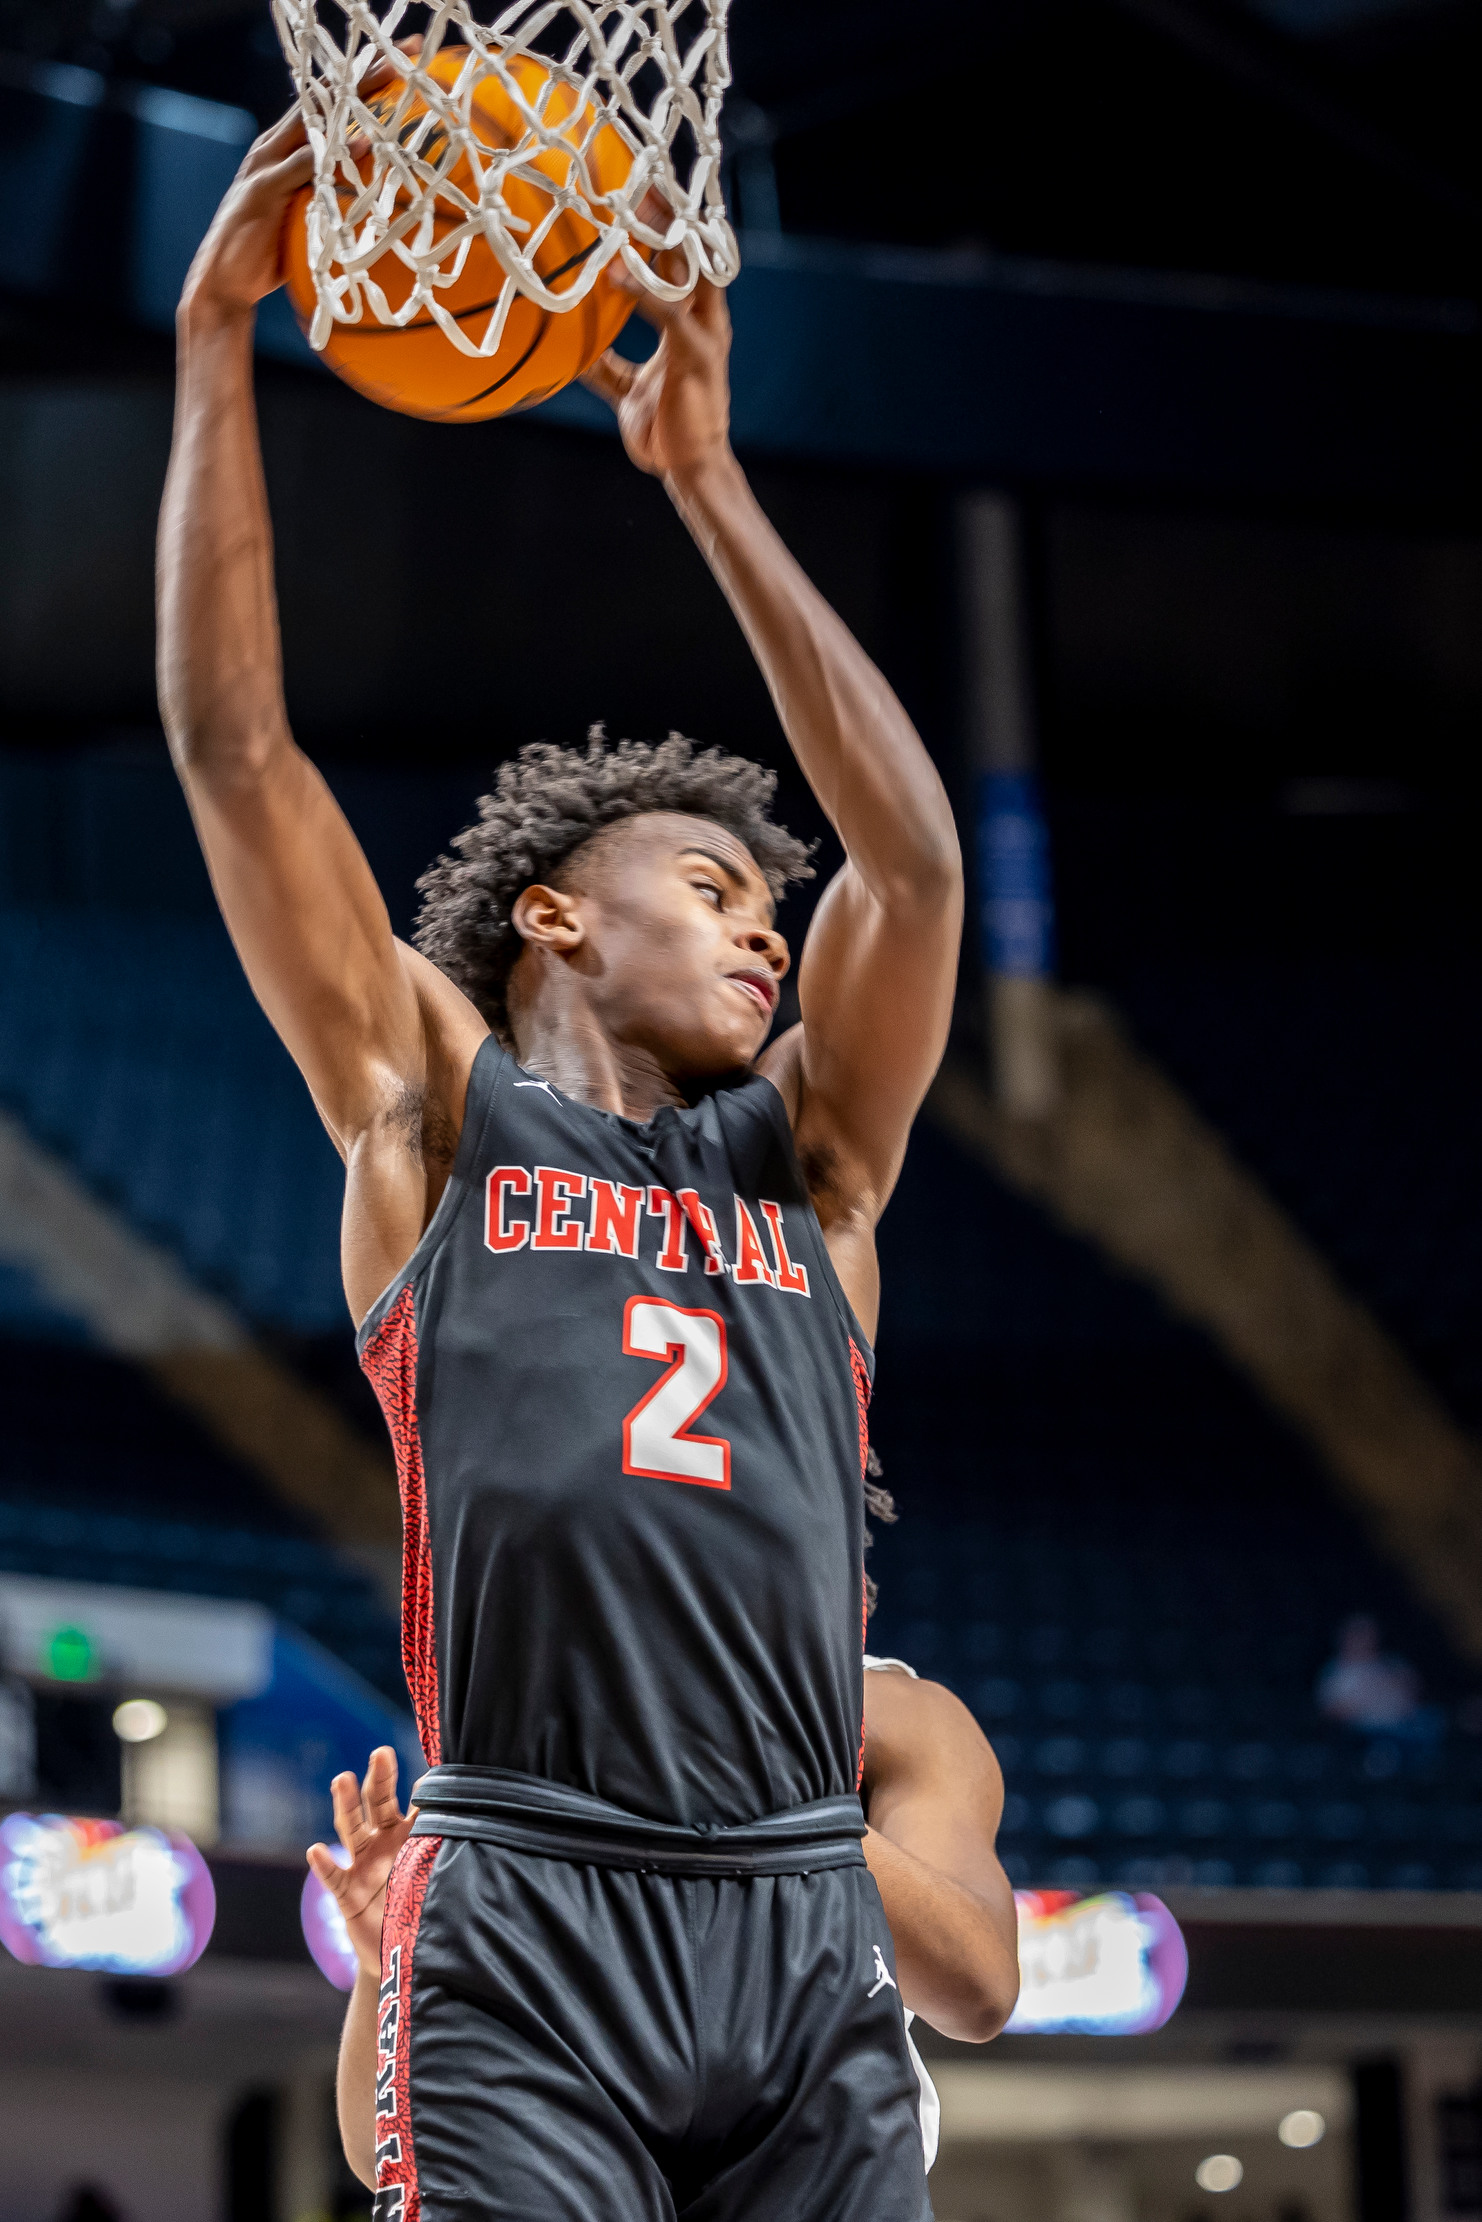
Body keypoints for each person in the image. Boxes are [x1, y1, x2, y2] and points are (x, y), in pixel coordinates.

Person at [158, 58, 979, 2222]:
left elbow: (917, 875)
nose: (763, 922)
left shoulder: (814, 1170)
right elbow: (240, 755)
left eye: (763, 908)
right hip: (527, 1892)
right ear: (552, 916)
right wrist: (208, 356)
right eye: (710, 886)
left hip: (805, 1910)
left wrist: (704, 482)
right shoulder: (429, 1111)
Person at [311, 1663, 1017, 2189]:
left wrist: (771, 1796)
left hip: (817, 2178)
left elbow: (978, 1988)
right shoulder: (536, 1719)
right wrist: (390, 1966)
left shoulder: (890, 1712)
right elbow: (393, 2162)